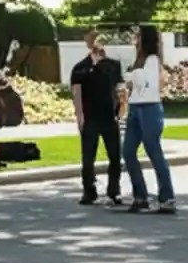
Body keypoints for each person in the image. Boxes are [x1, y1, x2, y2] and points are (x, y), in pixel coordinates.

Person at [121, 25, 177, 214]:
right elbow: (135, 82)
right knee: (128, 151)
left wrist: (131, 77)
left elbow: (145, 83)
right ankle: (140, 195)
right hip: (135, 107)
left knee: (153, 150)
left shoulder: (153, 59)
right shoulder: (138, 59)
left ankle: (167, 197)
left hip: (150, 108)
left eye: (137, 35)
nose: (134, 38)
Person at [69, 30, 123, 206]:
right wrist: (80, 117)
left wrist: (122, 109)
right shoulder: (80, 67)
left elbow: (119, 89)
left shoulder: (113, 66)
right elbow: (77, 94)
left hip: (109, 117)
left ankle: (114, 190)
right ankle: (89, 191)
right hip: (90, 117)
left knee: (115, 156)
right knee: (88, 157)